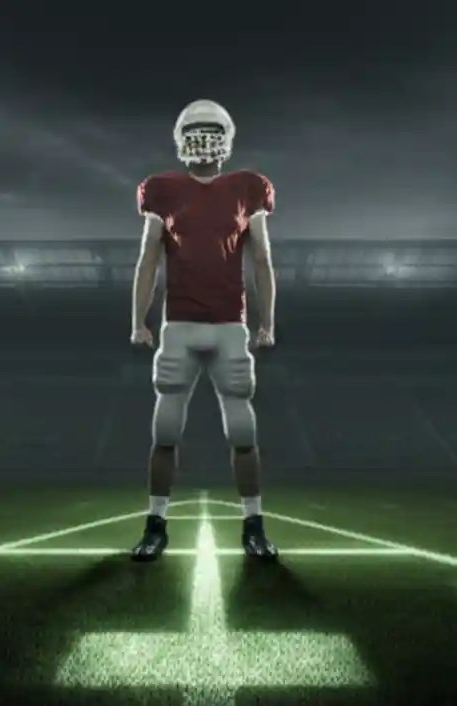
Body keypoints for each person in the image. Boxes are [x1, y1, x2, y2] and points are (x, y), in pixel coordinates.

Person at [128, 99, 279, 562]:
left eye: (212, 131)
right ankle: (156, 523)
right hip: (180, 325)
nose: (204, 141)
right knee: (166, 429)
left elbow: (261, 259)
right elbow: (149, 259)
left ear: (228, 138)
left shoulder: (248, 187)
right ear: (180, 140)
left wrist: (267, 321)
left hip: (229, 325)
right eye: (196, 132)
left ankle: (253, 524)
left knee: (242, 430)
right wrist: (139, 320)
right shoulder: (162, 189)